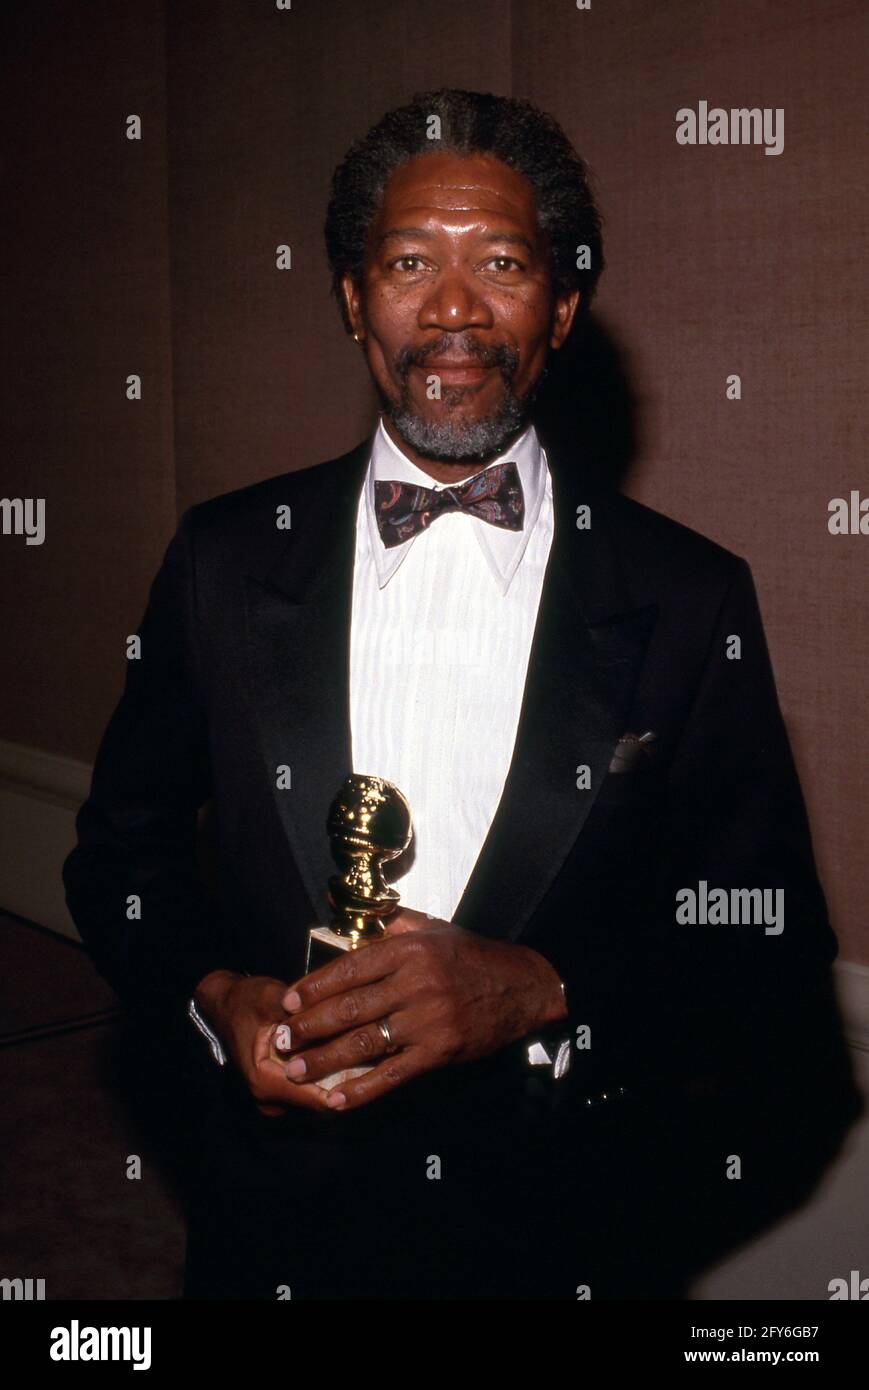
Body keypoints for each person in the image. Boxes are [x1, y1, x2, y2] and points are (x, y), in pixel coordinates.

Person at [63, 89, 860, 1300]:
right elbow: (119, 857)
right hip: (271, 1233)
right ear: (349, 299)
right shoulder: (221, 558)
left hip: (559, 1245)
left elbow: (766, 947)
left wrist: (539, 991)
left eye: (499, 261)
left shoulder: (689, 596)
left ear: (562, 308)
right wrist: (210, 995)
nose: (450, 307)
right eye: (405, 261)